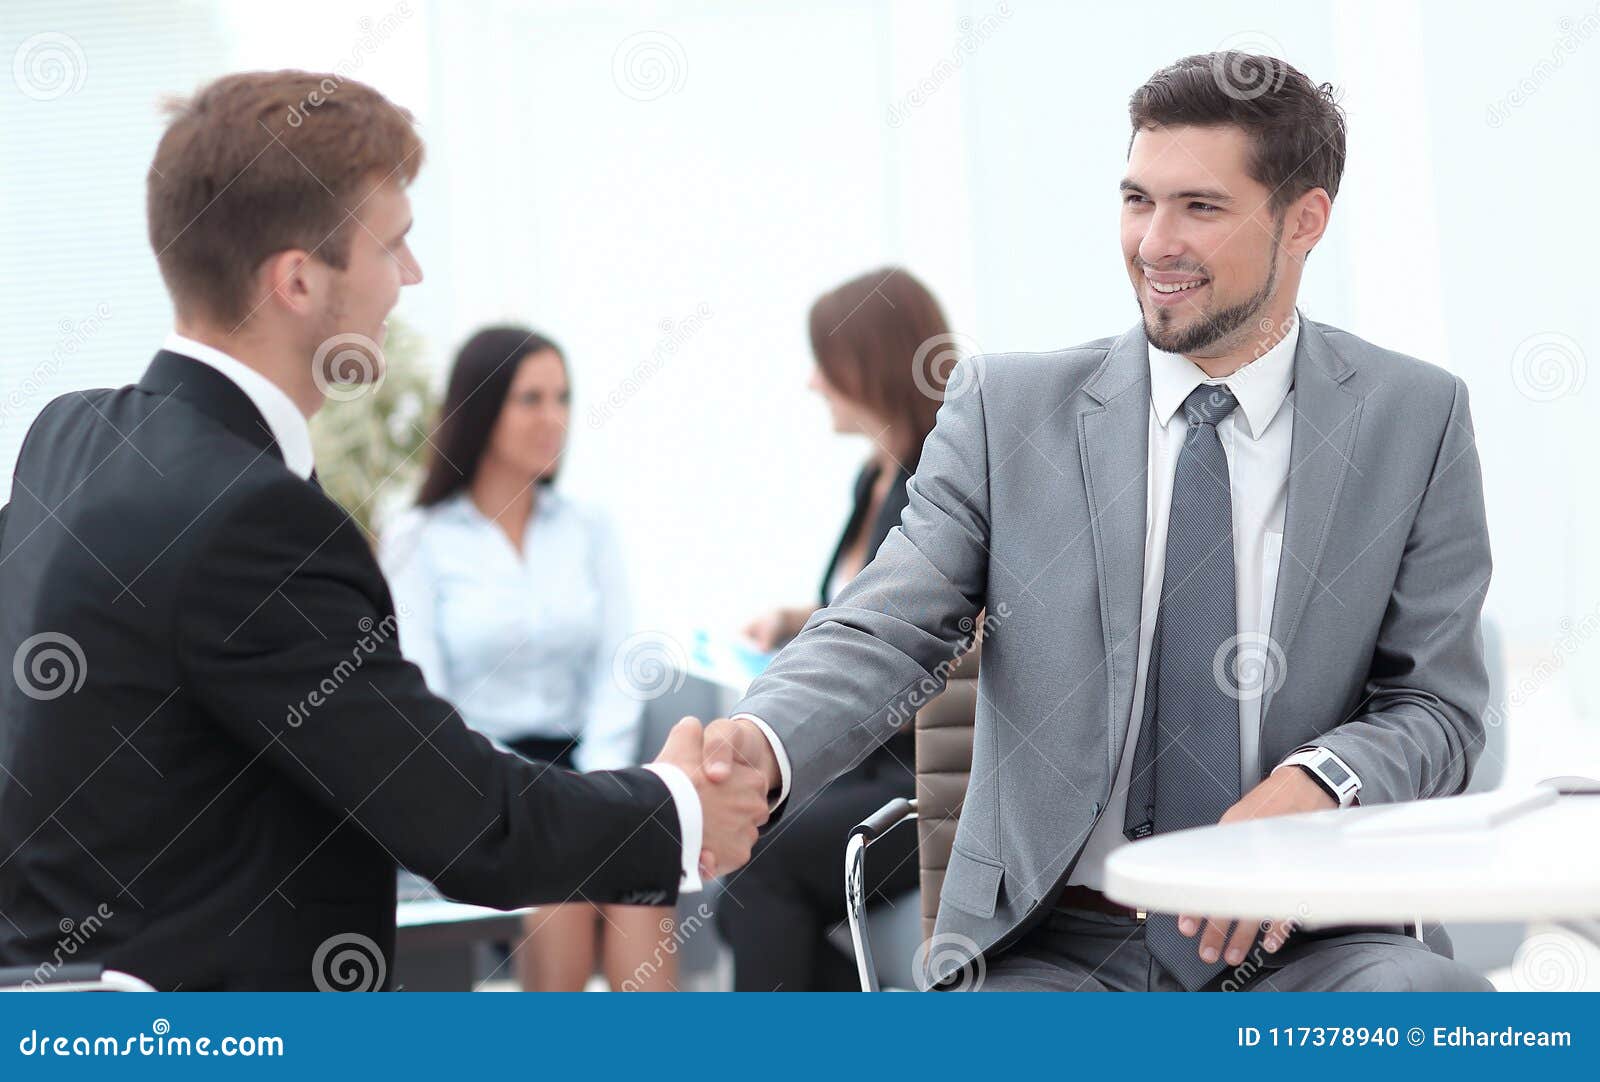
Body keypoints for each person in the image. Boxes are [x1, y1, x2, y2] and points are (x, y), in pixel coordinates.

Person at [694, 52, 1495, 992]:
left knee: (1438, 1011)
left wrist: (1323, 778)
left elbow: (1437, 704)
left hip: (1313, 941)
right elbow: (887, 623)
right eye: (1136, 200)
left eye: (1199, 206)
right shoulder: (1008, 410)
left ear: (1305, 221)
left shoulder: (1416, 418)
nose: (1154, 242)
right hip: (1062, 945)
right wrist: (761, 739)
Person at [0, 70, 767, 991]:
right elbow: (464, 821)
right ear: (297, 280)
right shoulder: (250, 518)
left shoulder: (68, 437)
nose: (411, 277)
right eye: (392, 245)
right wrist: (680, 807)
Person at [380, 325, 675, 991]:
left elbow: (617, 669)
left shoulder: (588, 528)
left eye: (563, 398)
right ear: (481, 410)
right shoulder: (418, 540)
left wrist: (601, 789)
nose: (556, 419)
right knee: (560, 886)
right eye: (532, 399)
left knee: (646, 879)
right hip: (482, 780)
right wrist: (529, 800)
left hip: (587, 767)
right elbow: (423, 695)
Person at [718, 269, 962, 990]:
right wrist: (798, 620)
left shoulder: (938, 481)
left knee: (755, 865)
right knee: (735, 854)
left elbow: (938, 626)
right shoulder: (874, 480)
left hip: (929, 775)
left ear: (866, 363)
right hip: (863, 757)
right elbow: (881, 602)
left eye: (824, 363)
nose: (812, 384)